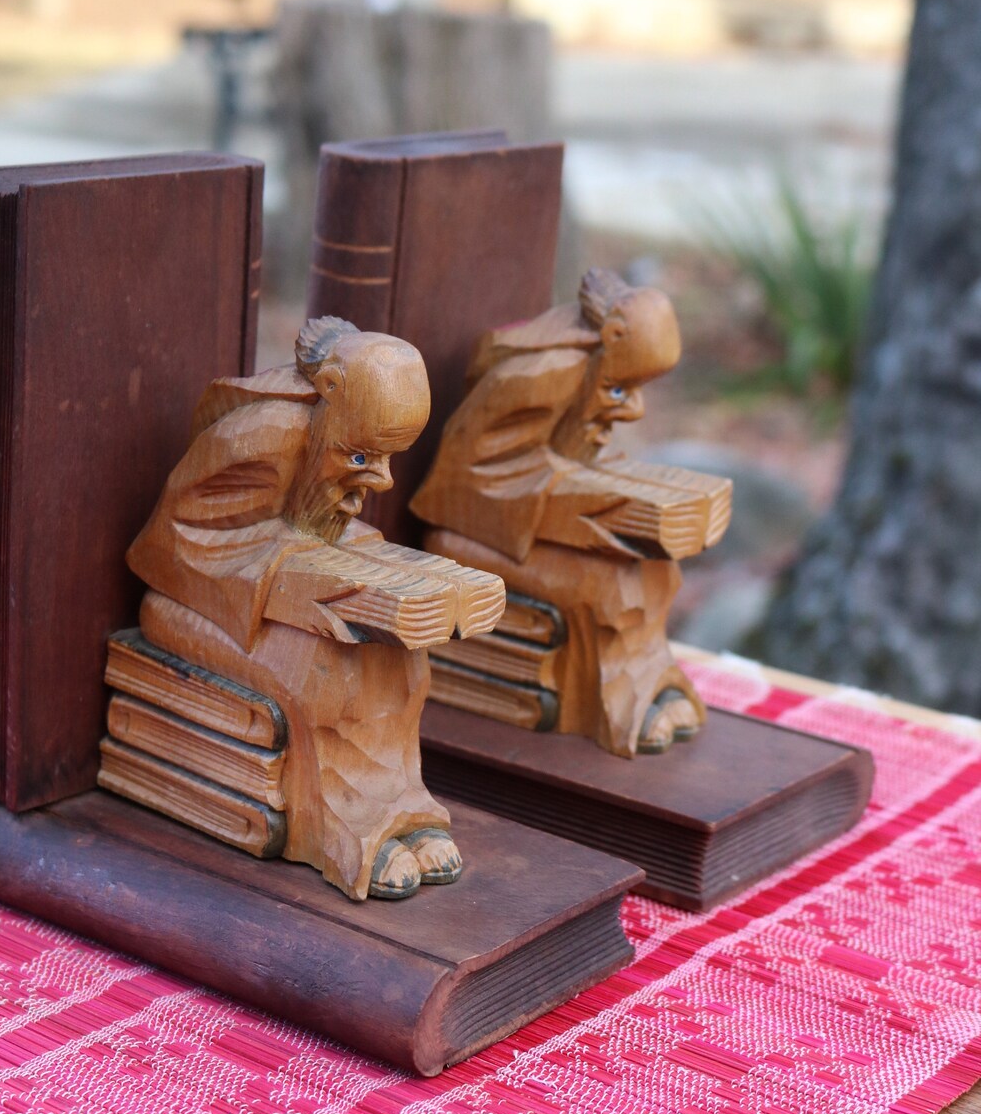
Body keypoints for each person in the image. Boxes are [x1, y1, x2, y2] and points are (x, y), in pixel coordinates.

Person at [128, 317, 489, 900]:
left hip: (275, 583)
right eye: (363, 458)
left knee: (402, 659)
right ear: (332, 393)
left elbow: (322, 532)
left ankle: (405, 810)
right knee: (326, 670)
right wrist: (300, 575)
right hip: (198, 600)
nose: (385, 482)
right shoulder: (265, 434)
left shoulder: (332, 433)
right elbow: (174, 542)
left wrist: (374, 571)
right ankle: (344, 829)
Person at [412, 269, 731, 757]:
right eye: (621, 390)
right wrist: (595, 505)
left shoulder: (587, 369)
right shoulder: (544, 372)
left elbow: (557, 459)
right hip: (470, 531)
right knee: (613, 586)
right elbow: (464, 481)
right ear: (608, 343)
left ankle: (649, 686)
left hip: (525, 521)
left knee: (657, 570)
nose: (635, 411)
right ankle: (620, 708)